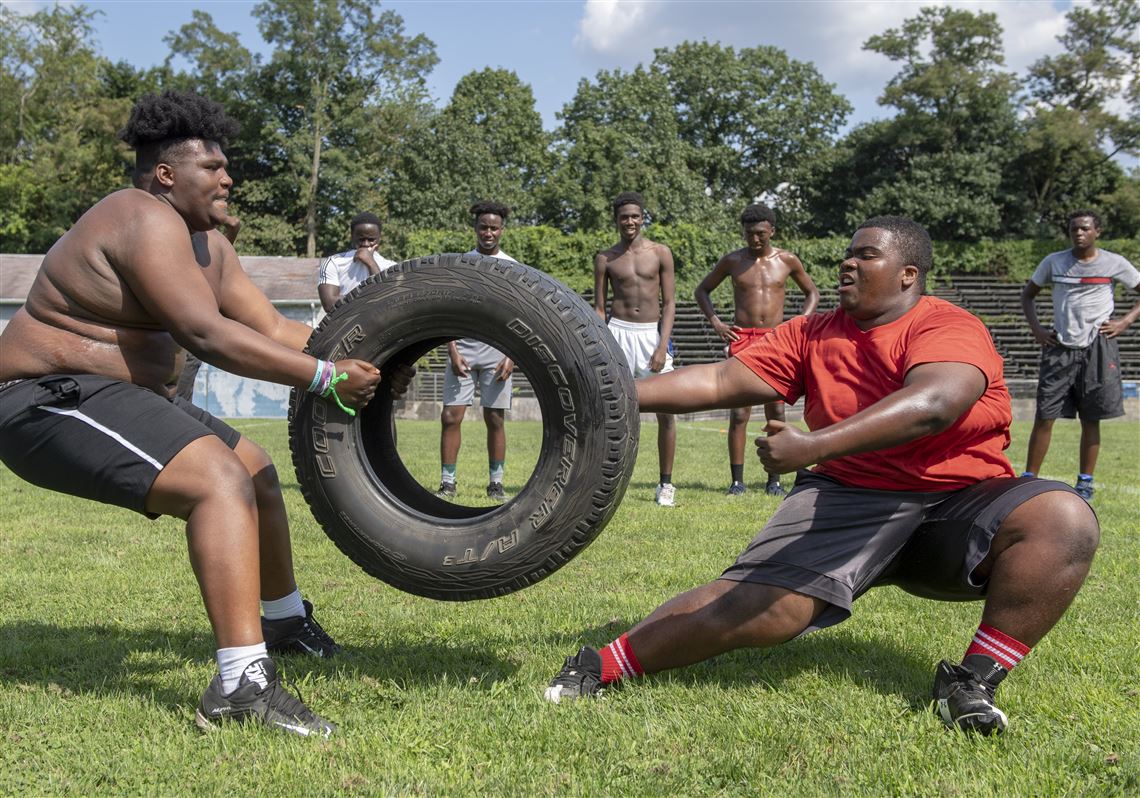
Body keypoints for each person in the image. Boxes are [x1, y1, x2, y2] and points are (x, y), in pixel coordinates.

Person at [545, 216, 1100, 736]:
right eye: (846, 255)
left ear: (909, 275)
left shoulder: (947, 323)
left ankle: (971, 681)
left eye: (866, 255)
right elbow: (717, 382)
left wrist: (813, 445)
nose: (847, 265)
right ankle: (602, 664)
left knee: (1061, 516)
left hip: (956, 503)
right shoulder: (813, 332)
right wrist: (609, 393)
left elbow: (935, 403)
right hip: (850, 496)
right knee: (764, 612)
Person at [0, 91, 412, 737]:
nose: (228, 178)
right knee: (219, 480)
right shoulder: (138, 216)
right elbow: (205, 334)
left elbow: (274, 326)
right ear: (167, 174)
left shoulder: (208, 246)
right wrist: (327, 377)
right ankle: (241, 685)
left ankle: (281, 621)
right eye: (213, 168)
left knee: (256, 475)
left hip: (123, 396)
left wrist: (380, 357)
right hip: (44, 399)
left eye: (227, 166)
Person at [695, 203, 819, 497]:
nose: (755, 240)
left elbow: (811, 292)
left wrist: (801, 322)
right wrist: (716, 322)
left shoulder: (787, 260)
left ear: (772, 231)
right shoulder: (733, 261)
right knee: (739, 413)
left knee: (775, 409)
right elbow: (702, 290)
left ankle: (774, 479)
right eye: (750, 234)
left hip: (775, 339)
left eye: (761, 234)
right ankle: (736, 481)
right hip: (742, 338)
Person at [1020, 209, 1140, 501]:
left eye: (1085, 228)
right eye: (1074, 229)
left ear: (1097, 231)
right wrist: (1037, 330)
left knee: (1091, 417)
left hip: (1098, 346)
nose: (1079, 233)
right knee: (1045, 415)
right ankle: (1028, 479)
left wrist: (1124, 321)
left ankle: (1085, 481)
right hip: (1060, 346)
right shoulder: (1054, 262)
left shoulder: (1114, 263)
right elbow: (1028, 295)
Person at [595, 191, 679, 506]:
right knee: (611, 410)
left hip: (650, 335)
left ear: (642, 217)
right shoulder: (605, 257)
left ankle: (665, 485)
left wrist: (661, 345)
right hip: (617, 333)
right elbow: (600, 308)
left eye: (634, 216)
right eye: (623, 217)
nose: (629, 221)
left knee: (666, 411)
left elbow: (670, 303)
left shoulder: (661, 253)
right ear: (616, 220)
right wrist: (601, 345)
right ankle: (606, 481)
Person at [437, 200, 516, 502]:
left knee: (495, 418)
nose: (488, 232)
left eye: (494, 227)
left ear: (502, 231)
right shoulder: (461, 264)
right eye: (483, 227)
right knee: (450, 416)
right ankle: (447, 482)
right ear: (475, 228)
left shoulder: (511, 268)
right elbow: (448, 310)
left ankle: (495, 483)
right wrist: (452, 350)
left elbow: (516, 317)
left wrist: (511, 356)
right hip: (464, 348)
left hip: (498, 351)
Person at [175, 217, 242, 402]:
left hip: (191, 335)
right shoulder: (171, 237)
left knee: (181, 397)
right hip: (175, 331)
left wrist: (232, 232)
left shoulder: (203, 245)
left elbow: (212, 261)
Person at [317, 211, 397, 313]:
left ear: (379, 239)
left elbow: (387, 301)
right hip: (345, 326)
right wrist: (370, 298)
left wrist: (371, 263)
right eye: (361, 239)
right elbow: (329, 305)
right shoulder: (334, 262)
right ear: (352, 237)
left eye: (371, 239)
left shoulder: (391, 267)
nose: (366, 244)